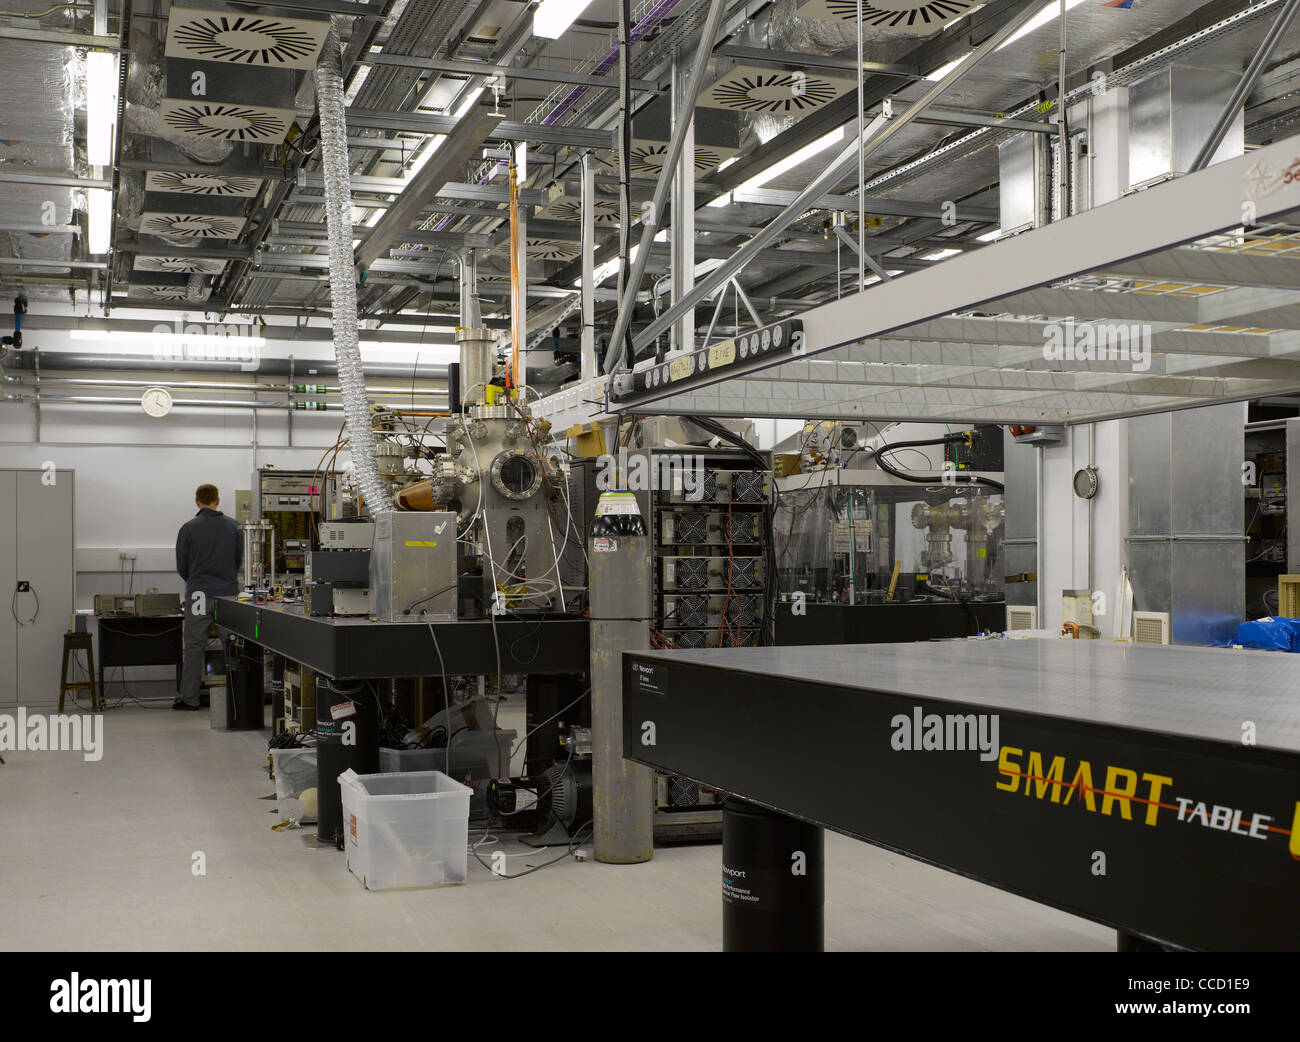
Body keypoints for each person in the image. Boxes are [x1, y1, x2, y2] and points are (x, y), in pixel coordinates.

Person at [174, 484, 241, 710]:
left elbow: (182, 566)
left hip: (200, 592)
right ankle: (238, 697)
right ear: (217, 500)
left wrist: (196, 581)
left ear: (197, 501)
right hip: (227, 594)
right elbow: (237, 561)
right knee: (232, 646)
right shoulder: (234, 526)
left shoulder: (188, 528)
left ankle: (189, 699)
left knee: (194, 646)